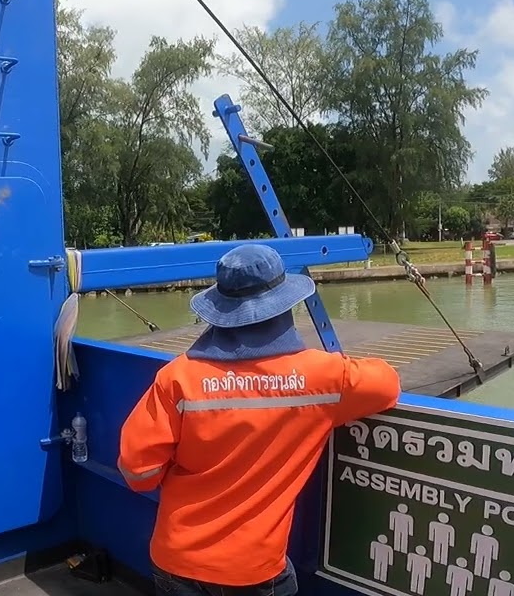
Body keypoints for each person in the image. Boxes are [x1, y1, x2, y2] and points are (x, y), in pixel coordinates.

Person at [119, 243, 401, 596]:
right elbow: (388, 384)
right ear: (285, 305)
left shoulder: (178, 378)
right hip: (254, 571)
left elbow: (138, 472)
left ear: (218, 311)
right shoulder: (324, 379)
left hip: (178, 560)